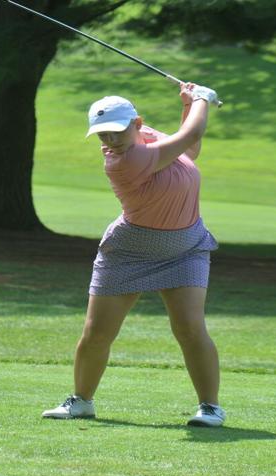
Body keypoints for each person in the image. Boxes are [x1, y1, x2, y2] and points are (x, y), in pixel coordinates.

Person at [44, 83, 226, 427]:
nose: (109, 141)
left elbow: (191, 150)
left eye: (116, 131)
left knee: (190, 328)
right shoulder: (126, 160)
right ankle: (81, 401)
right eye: (102, 135)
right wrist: (202, 99)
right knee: (98, 332)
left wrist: (189, 104)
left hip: (186, 248)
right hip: (130, 251)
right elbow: (193, 134)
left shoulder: (148, 139)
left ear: (137, 123)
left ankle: (210, 408)